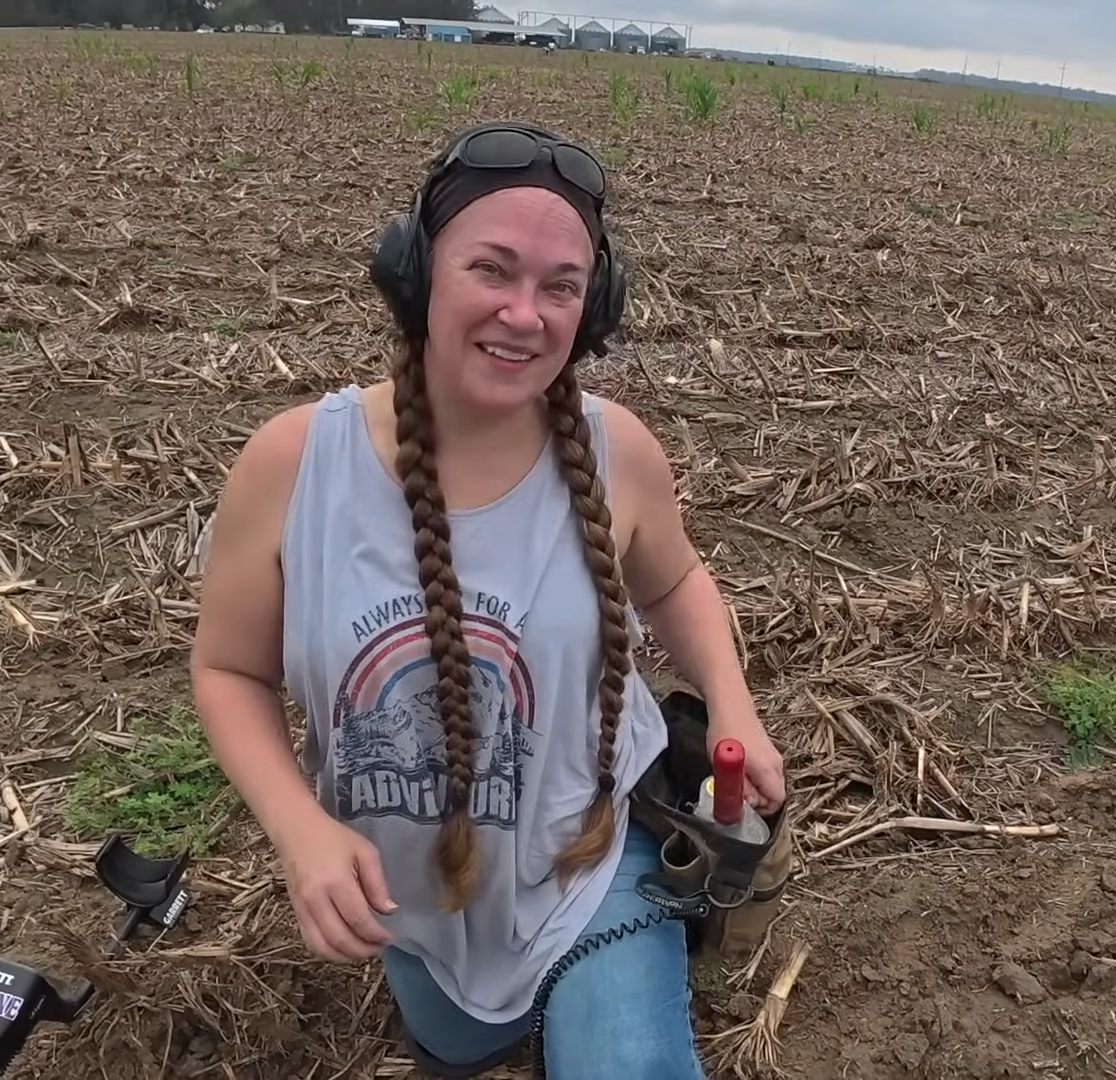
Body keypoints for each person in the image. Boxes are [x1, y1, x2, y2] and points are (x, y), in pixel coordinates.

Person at [187, 121, 787, 1079]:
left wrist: (733, 701)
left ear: (594, 309)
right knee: (463, 1046)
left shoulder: (616, 451)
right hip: (419, 901)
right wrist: (302, 832)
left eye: (561, 286)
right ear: (418, 276)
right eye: (491, 270)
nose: (526, 314)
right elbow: (227, 670)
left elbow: (674, 581)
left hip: (595, 865)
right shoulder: (295, 465)